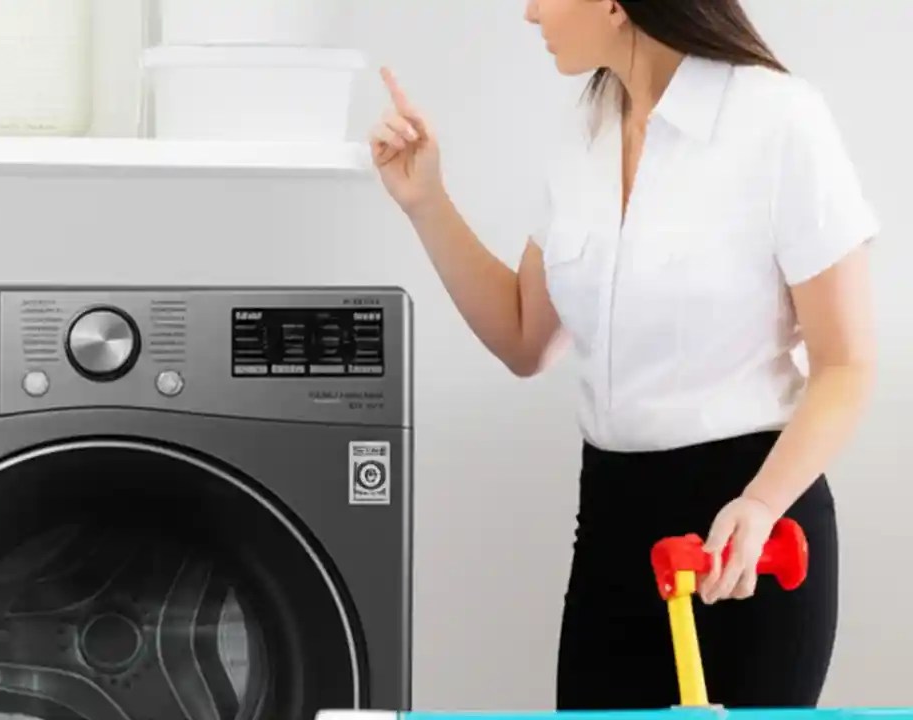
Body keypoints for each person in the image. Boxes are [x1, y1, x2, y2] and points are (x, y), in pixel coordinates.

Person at [371, 0, 879, 711]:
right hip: (612, 522)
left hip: (746, 532)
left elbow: (847, 363)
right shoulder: (584, 132)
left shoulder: (778, 120)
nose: (528, 12)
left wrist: (762, 504)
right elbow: (524, 336)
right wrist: (426, 201)